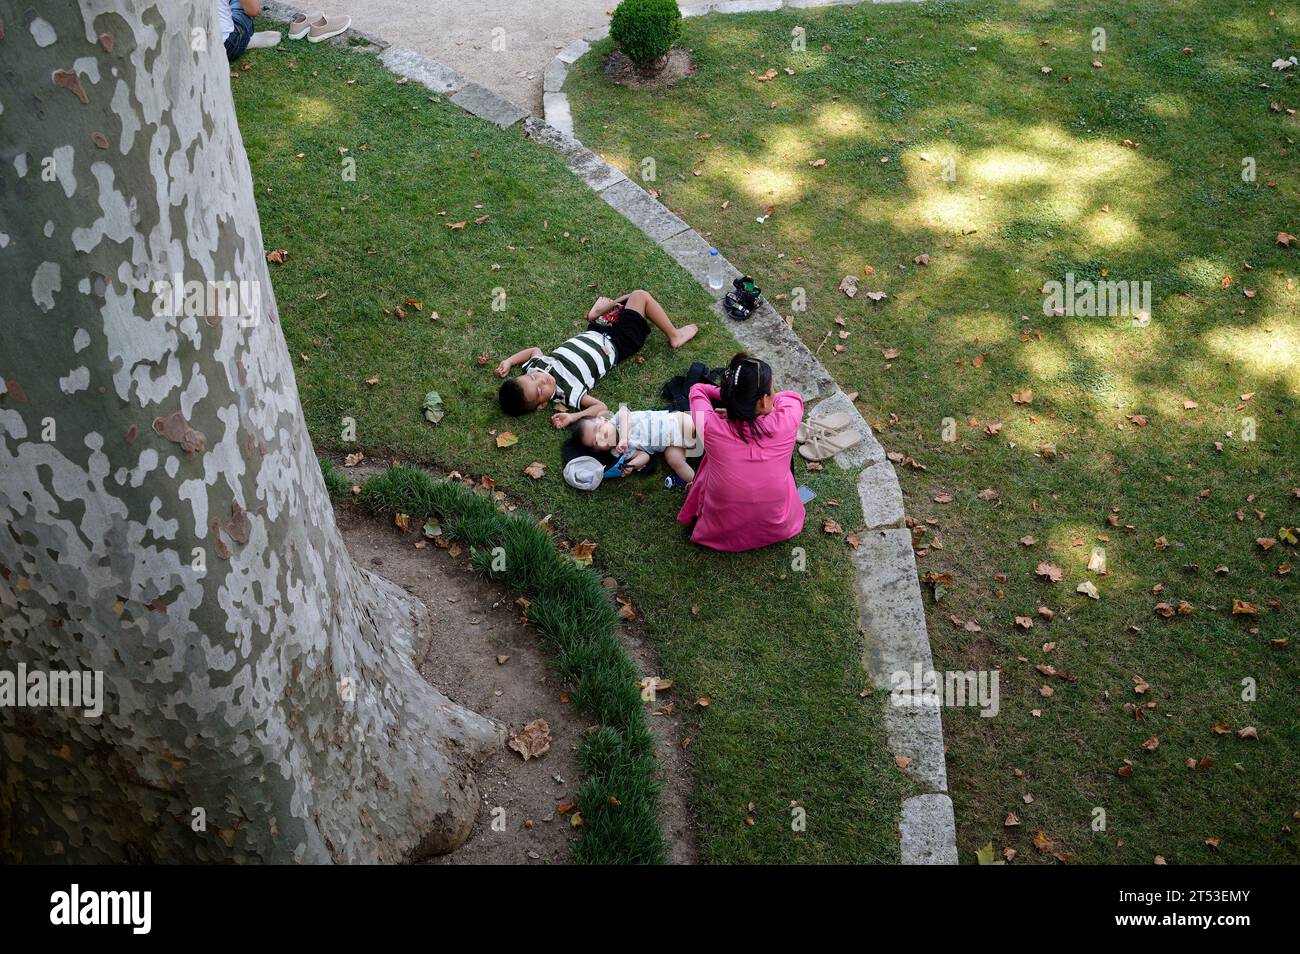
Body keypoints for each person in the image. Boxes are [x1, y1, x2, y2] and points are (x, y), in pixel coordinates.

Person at [495, 290, 697, 428]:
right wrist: (573, 417)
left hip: (596, 330)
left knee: (628, 299)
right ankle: (674, 336)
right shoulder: (568, 392)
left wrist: (510, 361)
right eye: (540, 390)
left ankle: (598, 313)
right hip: (619, 343)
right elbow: (601, 407)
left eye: (532, 378)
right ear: (541, 405)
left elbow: (533, 350)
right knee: (640, 295)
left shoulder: (537, 367)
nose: (542, 380)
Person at [677, 353, 805, 552]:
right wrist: (748, 406)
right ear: (763, 401)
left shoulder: (710, 426)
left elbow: (697, 389)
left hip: (720, 532)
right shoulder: (788, 420)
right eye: (771, 388)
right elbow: (790, 397)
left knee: (708, 459)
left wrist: (735, 402)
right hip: (779, 526)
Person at [573, 405, 698, 486]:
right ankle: (697, 483)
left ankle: (712, 428)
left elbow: (625, 413)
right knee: (674, 460)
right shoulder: (618, 453)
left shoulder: (617, 419)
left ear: (604, 420)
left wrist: (624, 438)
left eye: (599, 429)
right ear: (597, 449)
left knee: (699, 429)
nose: (601, 436)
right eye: (596, 442)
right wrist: (632, 465)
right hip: (671, 445)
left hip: (675, 422)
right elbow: (644, 456)